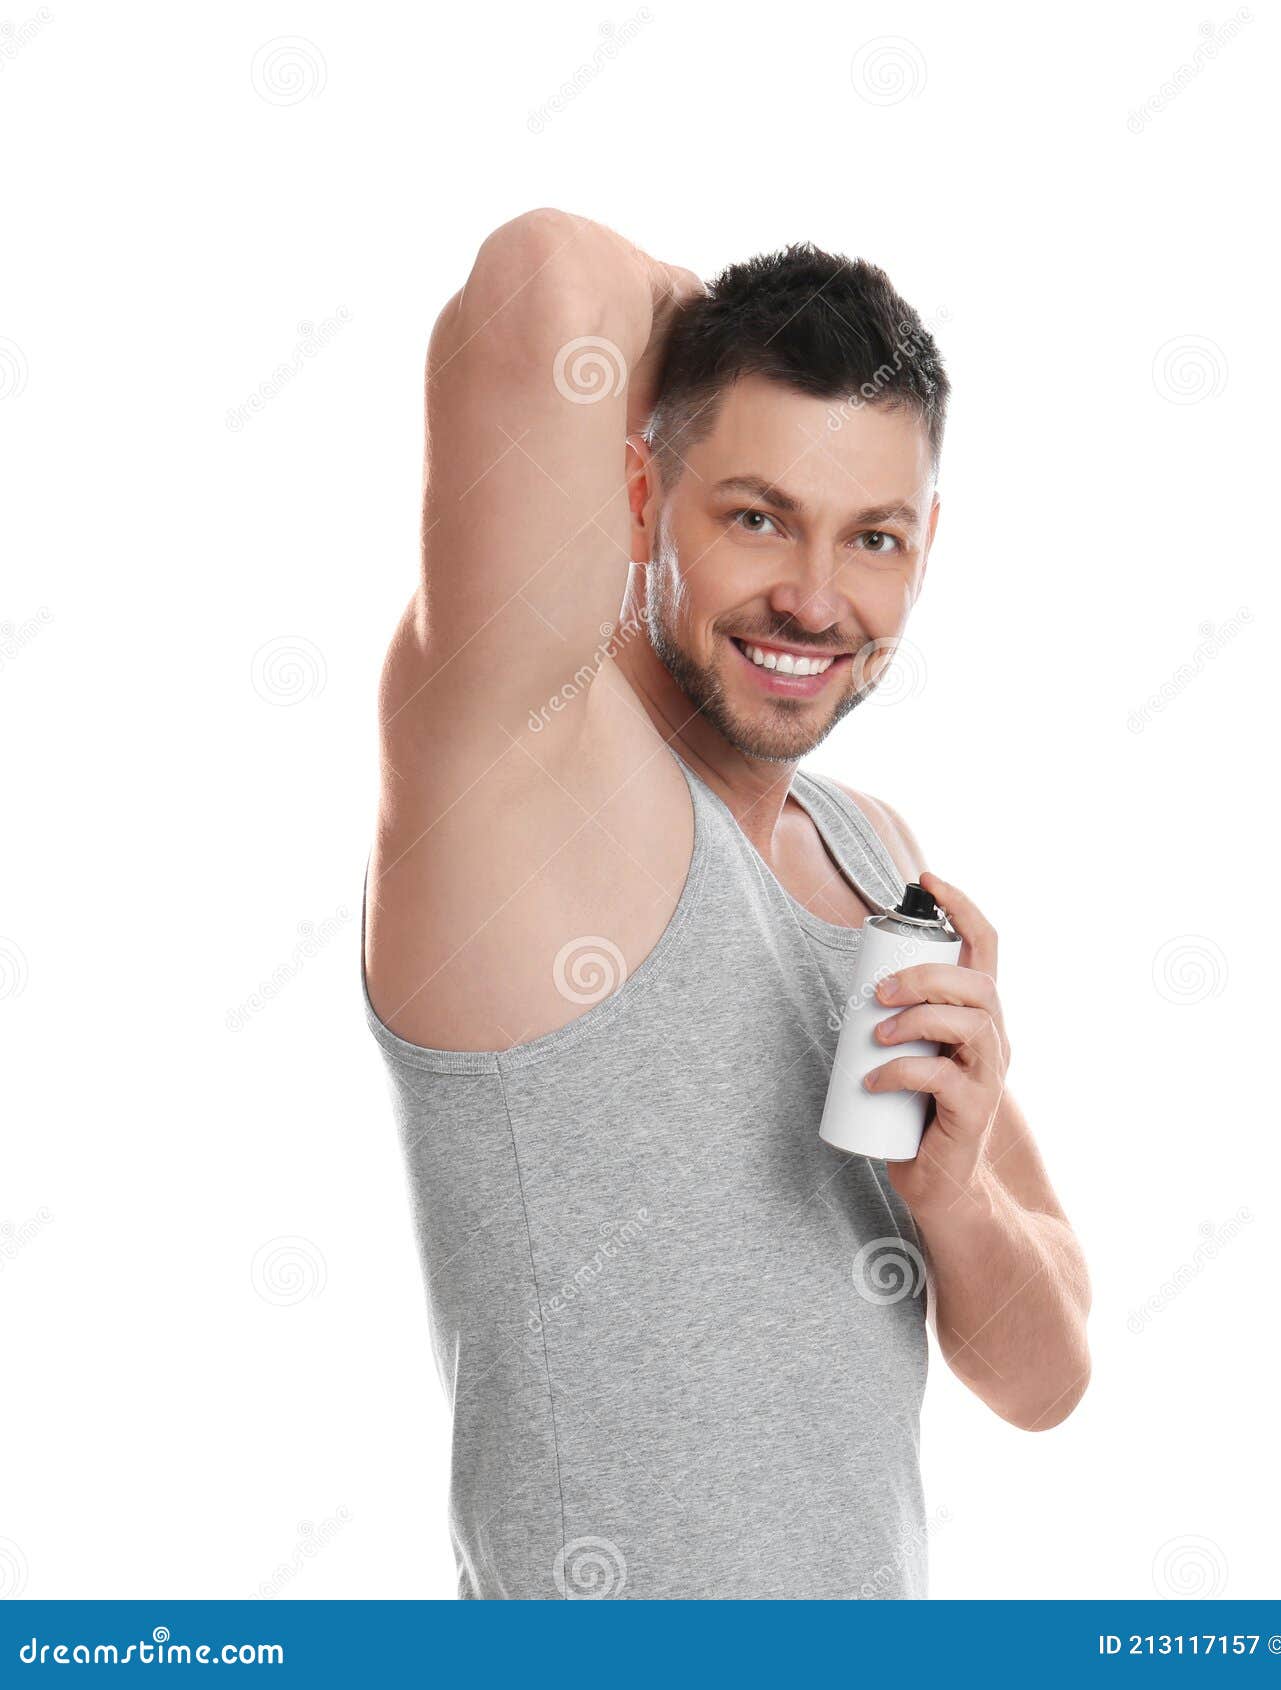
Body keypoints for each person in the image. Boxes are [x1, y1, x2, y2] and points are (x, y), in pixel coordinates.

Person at [361, 209, 1091, 1600]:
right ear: (640, 494)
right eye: (757, 514)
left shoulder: (877, 856)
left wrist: (953, 1194)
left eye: (872, 537)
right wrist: (729, 334)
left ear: (926, 545)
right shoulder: (525, 772)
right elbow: (543, 287)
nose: (816, 600)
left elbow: (1050, 1371)